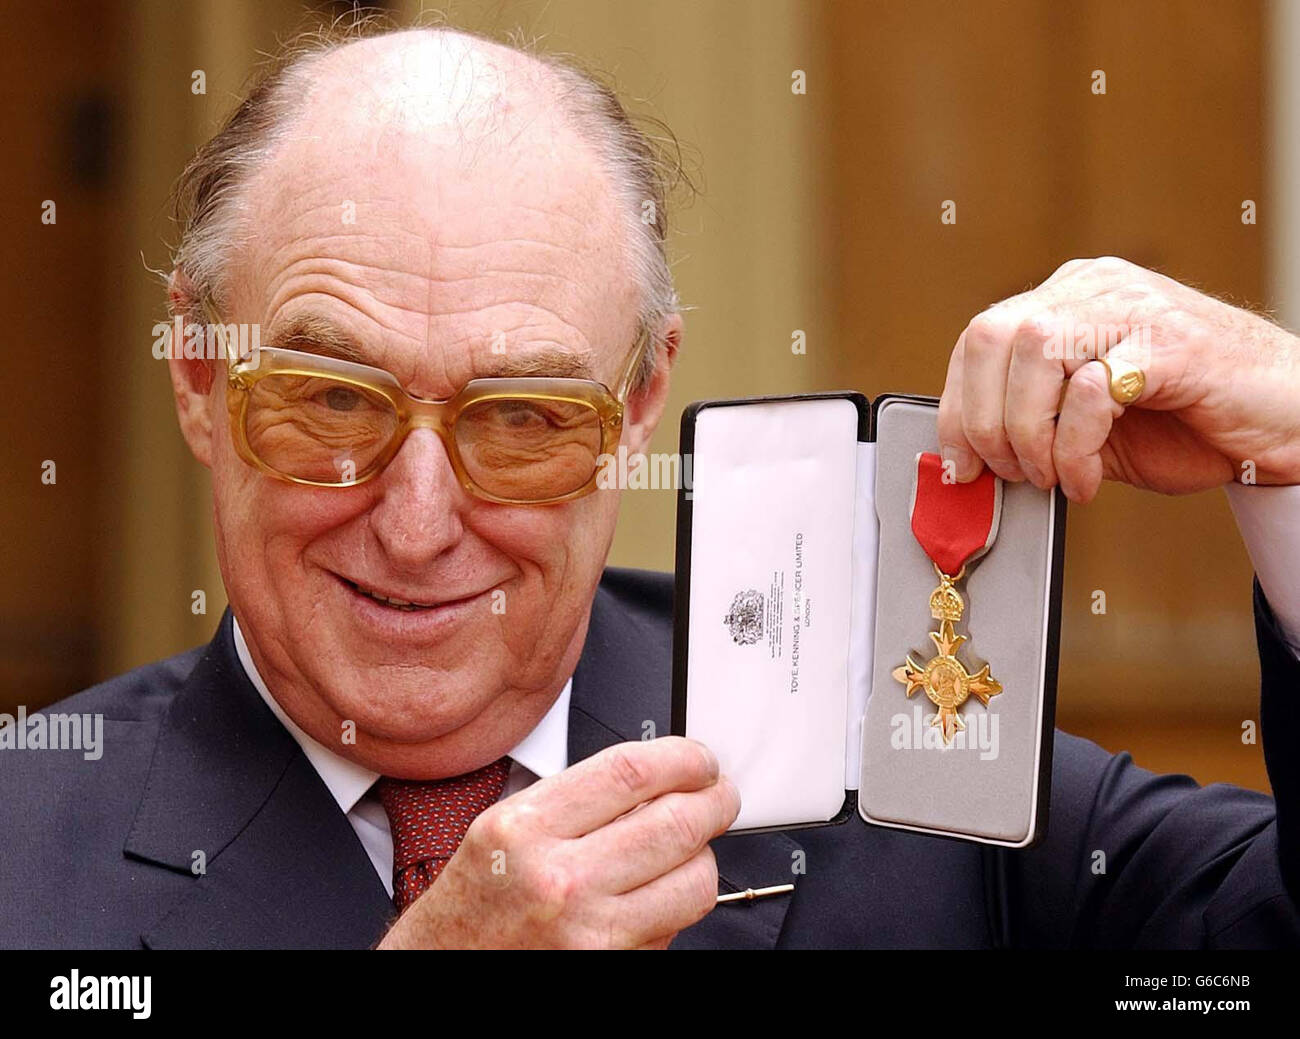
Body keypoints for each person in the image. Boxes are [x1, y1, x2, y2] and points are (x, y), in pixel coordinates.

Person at [1, 23, 1297, 949]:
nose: (415, 522)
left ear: (635, 401)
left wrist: (1291, 450)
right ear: (194, 373)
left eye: (521, 418)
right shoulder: (23, 845)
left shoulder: (889, 759)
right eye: (334, 400)